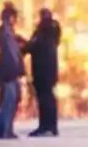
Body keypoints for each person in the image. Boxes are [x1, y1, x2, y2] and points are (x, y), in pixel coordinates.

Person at [0, 3, 25, 140]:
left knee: (10, 100)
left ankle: (3, 129)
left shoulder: (8, 33)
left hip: (8, 71)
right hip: (8, 71)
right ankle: (4, 130)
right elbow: (11, 55)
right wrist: (17, 69)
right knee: (8, 101)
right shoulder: (6, 34)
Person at [25, 8, 61, 137]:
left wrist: (22, 46)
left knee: (44, 99)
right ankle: (51, 126)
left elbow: (32, 46)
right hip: (50, 70)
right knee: (49, 98)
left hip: (42, 70)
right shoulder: (53, 32)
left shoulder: (43, 32)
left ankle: (45, 126)